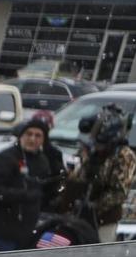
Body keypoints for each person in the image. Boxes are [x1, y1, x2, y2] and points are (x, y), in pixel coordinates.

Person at [56, 103, 136, 241]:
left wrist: (93, 207)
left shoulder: (124, 155)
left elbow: (119, 192)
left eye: (97, 143)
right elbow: (78, 178)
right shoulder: (89, 153)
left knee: (100, 252)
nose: (94, 147)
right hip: (78, 216)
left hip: (104, 218)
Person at [0, 115, 65, 251]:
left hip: (29, 231)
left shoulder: (42, 161)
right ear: (21, 136)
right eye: (29, 134)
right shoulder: (5, 159)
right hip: (4, 231)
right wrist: (23, 195)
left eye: (38, 136)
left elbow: (46, 191)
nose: (32, 139)